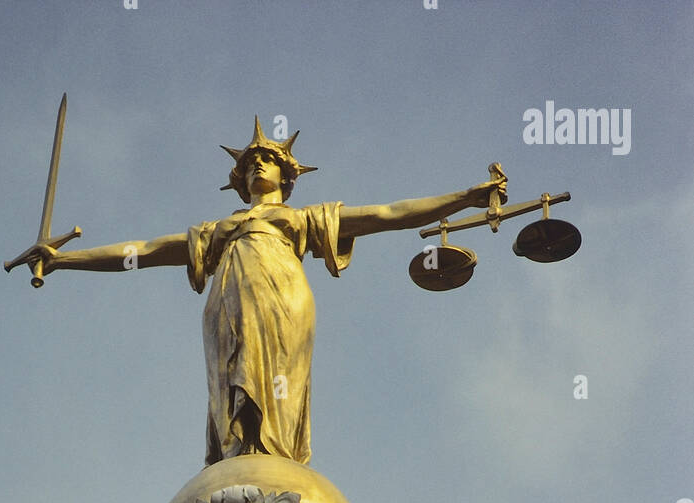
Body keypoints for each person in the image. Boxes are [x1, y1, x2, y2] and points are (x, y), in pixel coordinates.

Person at [27, 118, 506, 466]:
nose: (258, 165)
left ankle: (272, 455)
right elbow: (145, 251)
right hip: (228, 302)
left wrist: (466, 195)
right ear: (238, 182)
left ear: (287, 174)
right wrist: (64, 259)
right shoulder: (220, 230)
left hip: (282, 298)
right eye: (251, 162)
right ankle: (240, 452)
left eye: (268, 160)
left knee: (275, 376)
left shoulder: (299, 219)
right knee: (234, 377)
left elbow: (389, 214)